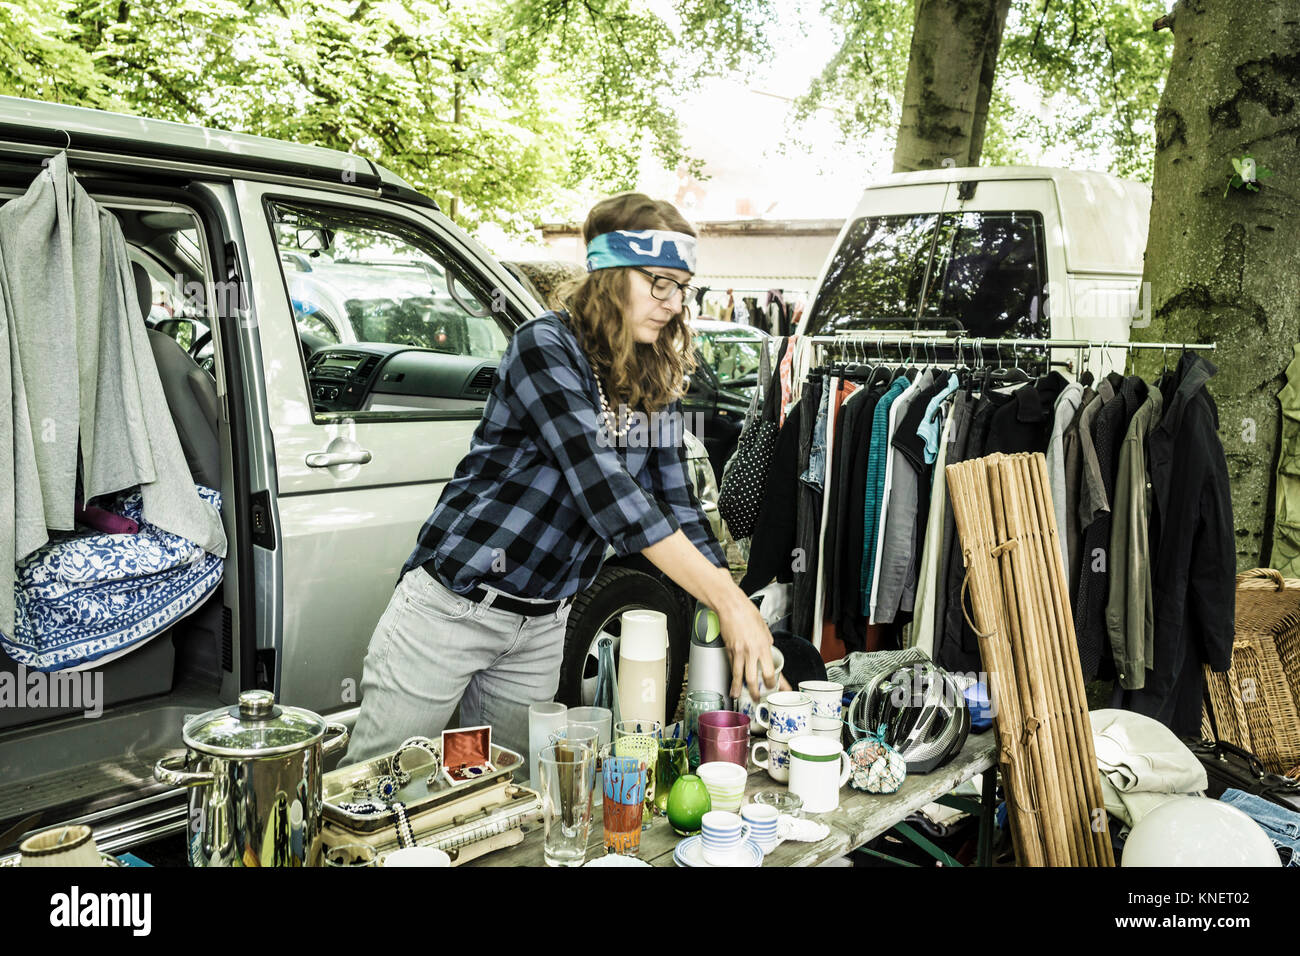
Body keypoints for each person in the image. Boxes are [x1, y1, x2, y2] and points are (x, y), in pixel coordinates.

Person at [346, 193, 777, 763]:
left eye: (682, 287)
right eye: (659, 283)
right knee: (381, 782)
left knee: (503, 804)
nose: (673, 304)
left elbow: (678, 508)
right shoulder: (543, 346)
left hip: (544, 625)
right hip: (455, 606)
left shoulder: (652, 378)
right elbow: (608, 496)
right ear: (609, 275)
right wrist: (727, 603)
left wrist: (750, 631)